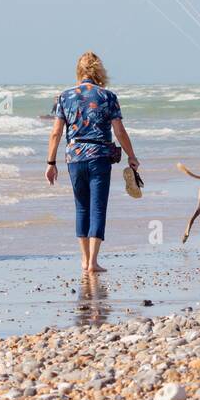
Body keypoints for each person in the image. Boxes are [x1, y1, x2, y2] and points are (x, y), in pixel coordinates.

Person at [45, 51, 140, 273]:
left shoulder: (64, 97)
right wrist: (131, 156)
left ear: (79, 71)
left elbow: (56, 133)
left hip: (74, 157)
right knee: (98, 207)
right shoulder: (108, 97)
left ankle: (84, 259)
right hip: (99, 157)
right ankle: (93, 262)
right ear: (100, 71)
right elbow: (120, 131)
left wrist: (51, 162)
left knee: (81, 208)